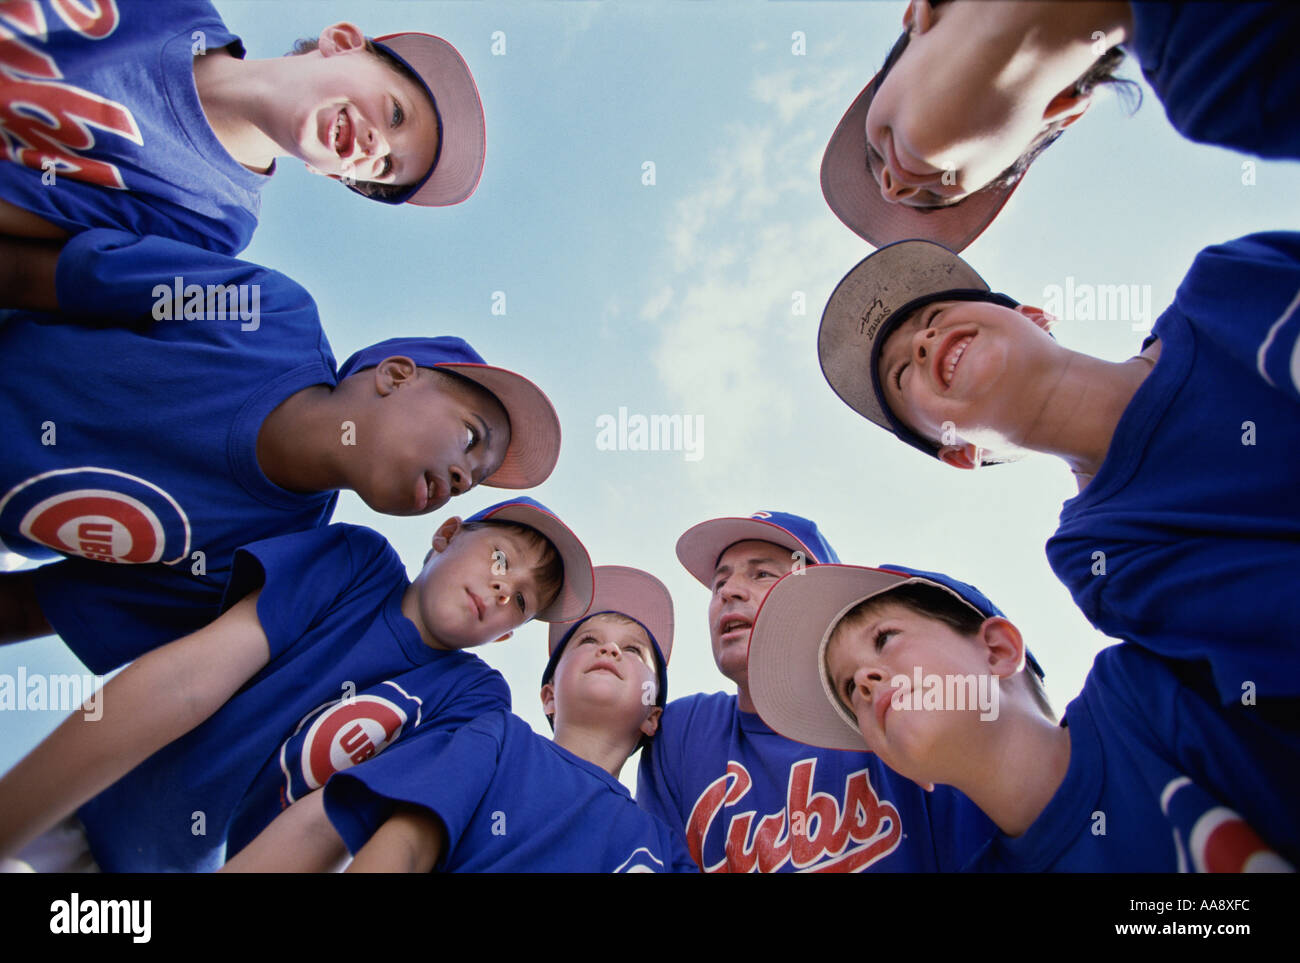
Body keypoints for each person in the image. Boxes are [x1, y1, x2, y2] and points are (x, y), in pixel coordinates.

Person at [0, 229, 562, 673]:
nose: (463, 475)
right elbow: (34, 275)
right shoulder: (267, 314)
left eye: (471, 482)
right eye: (470, 437)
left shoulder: (271, 559)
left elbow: (33, 606)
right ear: (396, 375)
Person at [817, 233, 1300, 705]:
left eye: (935, 316)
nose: (923, 342)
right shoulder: (1106, 556)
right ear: (962, 453)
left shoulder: (1228, 284)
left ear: (1033, 315)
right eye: (902, 376)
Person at [0, 497, 594, 872]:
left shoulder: (470, 696)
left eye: (520, 600)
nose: (502, 590)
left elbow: (330, 829)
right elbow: (188, 681)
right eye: (499, 559)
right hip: (71, 805)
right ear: (446, 534)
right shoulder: (357, 562)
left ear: (508, 636)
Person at [747, 562, 1300, 871]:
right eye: (848, 688)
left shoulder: (1143, 696)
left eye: (885, 639)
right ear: (900, 764)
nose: (865, 682)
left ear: (997, 650)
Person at [222, 565, 697, 873]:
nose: (610, 648)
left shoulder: (665, 847)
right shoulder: (497, 739)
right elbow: (403, 849)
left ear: (653, 717)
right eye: (588, 641)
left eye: (633, 650)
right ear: (548, 695)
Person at [635, 510, 995, 872]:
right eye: (718, 584)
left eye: (762, 574)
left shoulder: (896, 712)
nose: (729, 591)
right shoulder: (685, 730)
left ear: (824, 605)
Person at [0, 1, 485, 255]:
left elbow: (32, 231)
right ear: (342, 41)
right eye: (397, 114)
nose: (377, 145)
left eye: (384, 168)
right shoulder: (175, 11)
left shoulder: (214, 221)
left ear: (335, 175)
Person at [821, 0, 1297, 250]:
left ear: (917, 13)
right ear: (1059, 115)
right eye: (938, 194)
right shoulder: (1223, 82)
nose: (891, 188)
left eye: (874, 151)